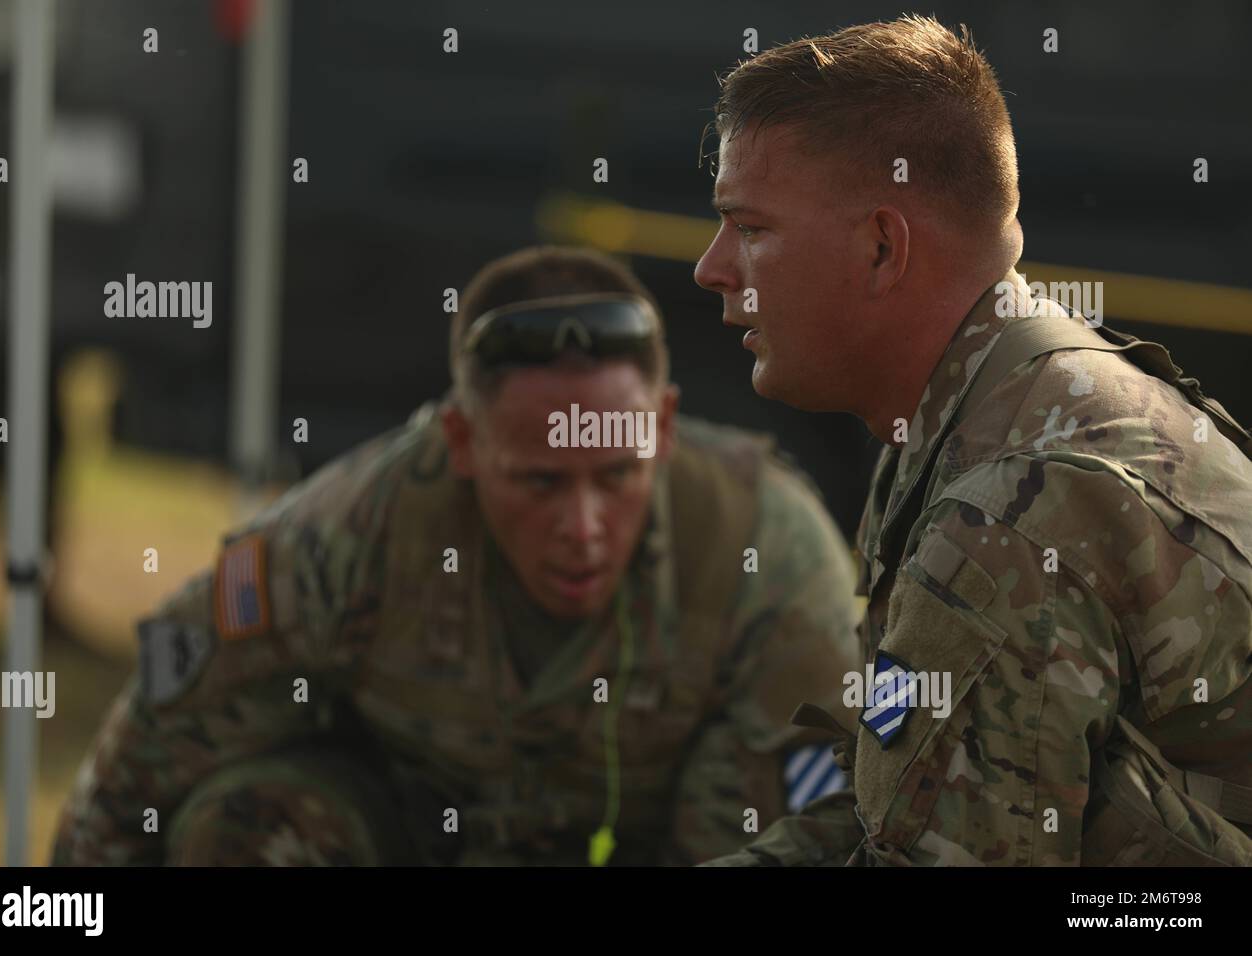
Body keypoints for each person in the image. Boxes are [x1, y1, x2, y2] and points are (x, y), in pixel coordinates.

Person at [51, 245, 862, 866]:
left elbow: (836, 829)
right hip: (424, 839)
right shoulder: (344, 537)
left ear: (665, 425)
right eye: (541, 482)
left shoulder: (771, 553)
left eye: (616, 475)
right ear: (464, 441)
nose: (582, 526)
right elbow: (138, 771)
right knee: (248, 820)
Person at [694, 16, 1252, 866]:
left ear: (883, 247)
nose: (712, 268)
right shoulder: (984, 408)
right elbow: (892, 802)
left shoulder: (1012, 511)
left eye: (752, 228)